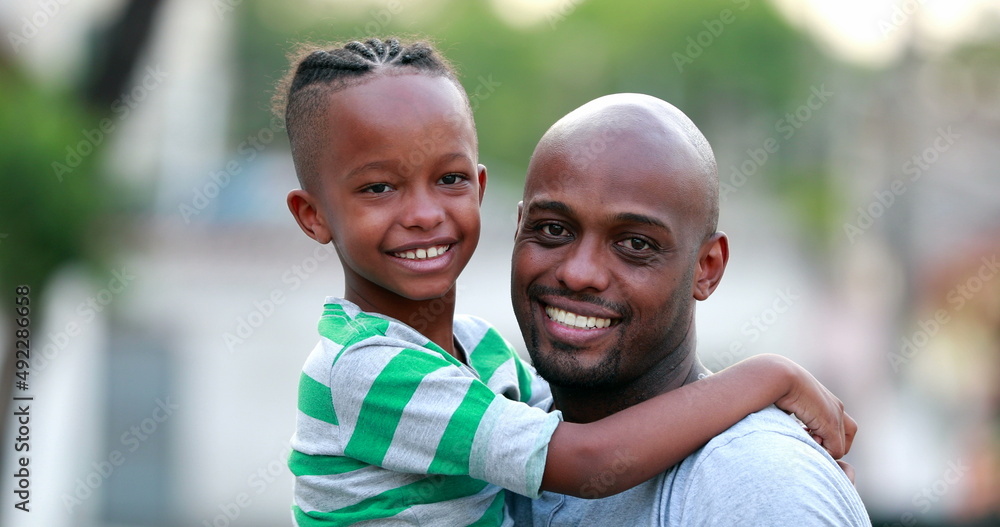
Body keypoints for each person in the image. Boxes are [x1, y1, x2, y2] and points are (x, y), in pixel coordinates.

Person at [275, 37, 855, 526]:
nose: (424, 213)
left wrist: (782, 455)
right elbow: (583, 459)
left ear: (478, 190)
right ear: (313, 215)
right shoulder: (365, 369)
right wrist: (767, 375)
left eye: (635, 244)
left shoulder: (478, 350)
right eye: (379, 188)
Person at [506, 93, 871, 525]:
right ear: (518, 228)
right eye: (553, 229)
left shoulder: (753, 481)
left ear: (707, 268)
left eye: (635, 244)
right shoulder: (488, 428)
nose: (580, 272)